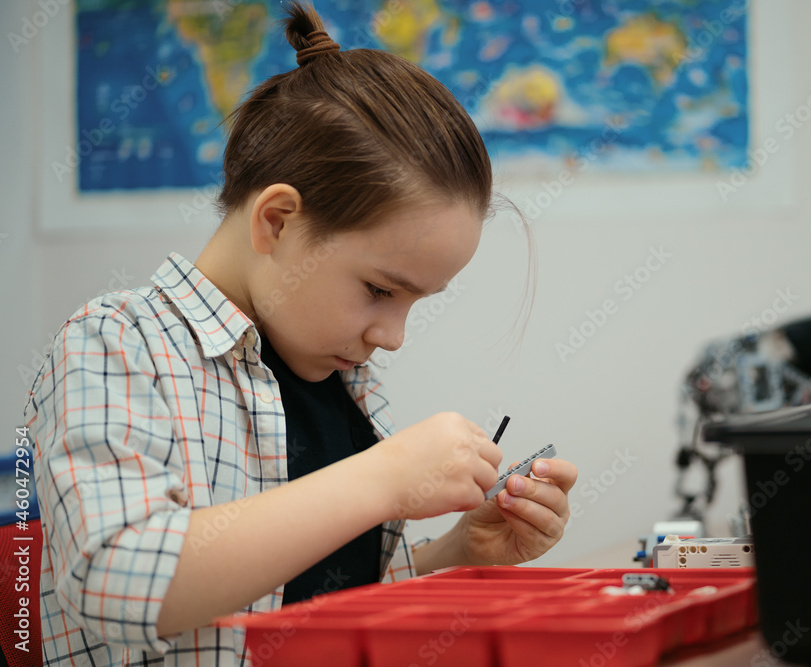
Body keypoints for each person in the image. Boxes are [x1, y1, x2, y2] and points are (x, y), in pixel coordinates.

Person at [22, 3, 577, 665]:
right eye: (380, 289)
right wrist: (385, 477)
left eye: (416, 302)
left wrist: (459, 552)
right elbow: (116, 581)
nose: (394, 336)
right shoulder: (114, 345)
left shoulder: (346, 383)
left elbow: (317, 600)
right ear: (278, 222)